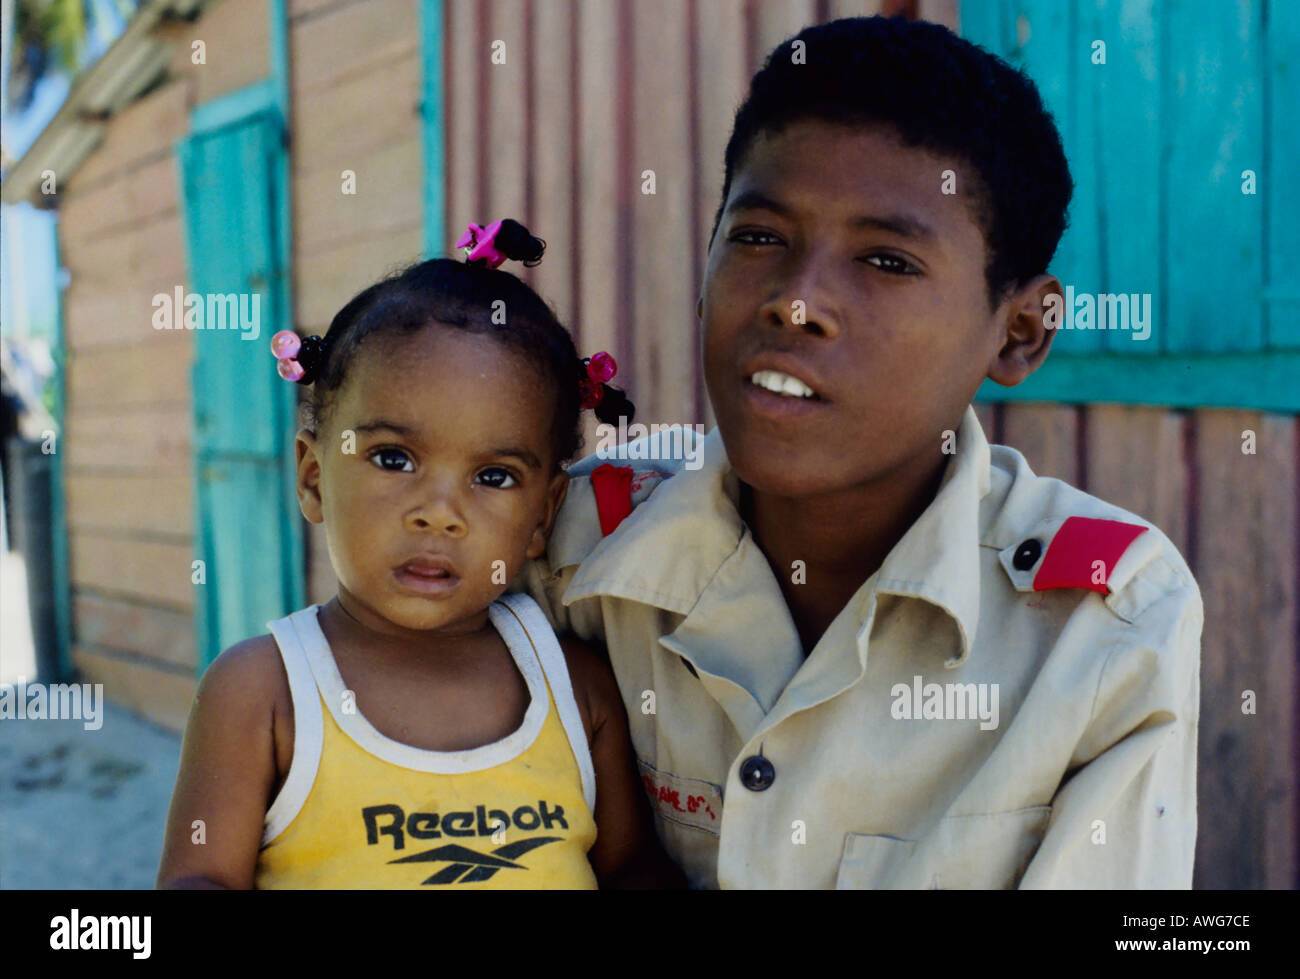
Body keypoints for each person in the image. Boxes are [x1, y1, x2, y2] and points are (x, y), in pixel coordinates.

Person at [512, 17, 1202, 888]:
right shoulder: (570, 547)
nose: (797, 304)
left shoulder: (1105, 623)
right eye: (759, 237)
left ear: (1021, 330)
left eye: (885, 259)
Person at [157, 219, 681, 889]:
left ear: (541, 516)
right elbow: (198, 878)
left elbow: (631, 871)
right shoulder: (261, 693)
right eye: (393, 458)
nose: (439, 511)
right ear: (314, 476)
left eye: (494, 476)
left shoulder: (577, 693)